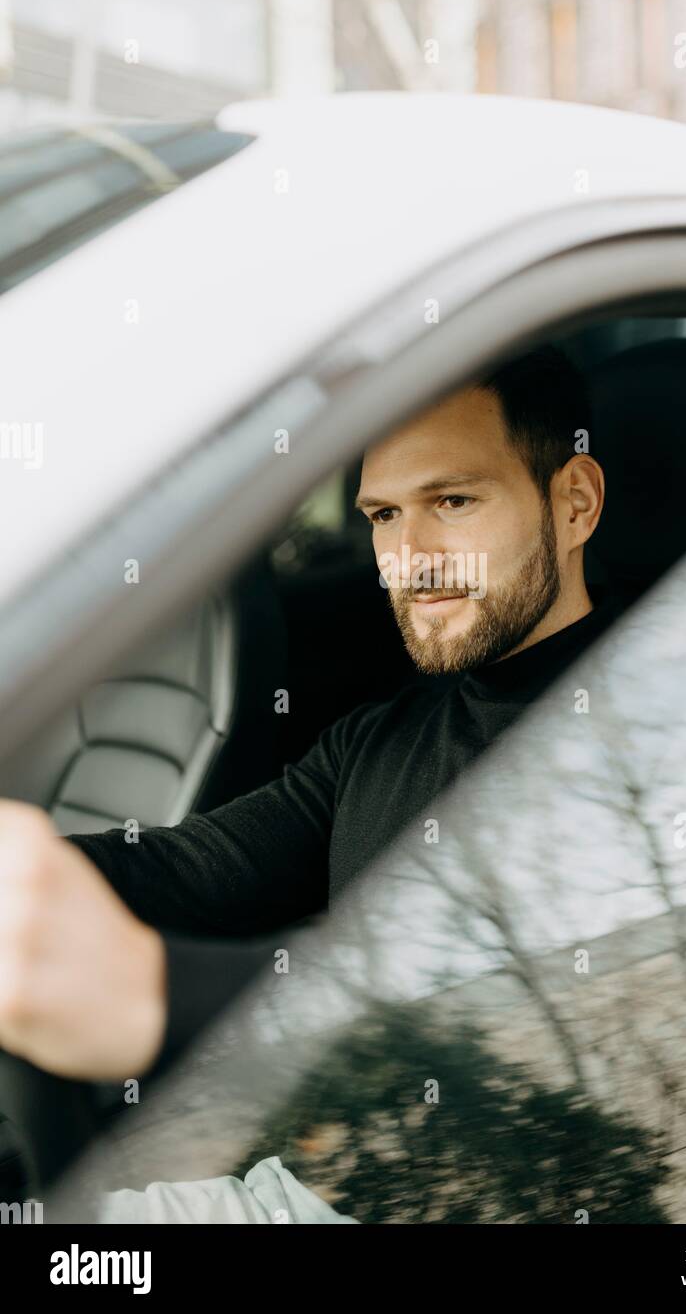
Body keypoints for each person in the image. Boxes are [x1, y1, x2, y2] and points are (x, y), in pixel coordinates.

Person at [0, 345, 610, 1092]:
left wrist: (152, 993)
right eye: (385, 515)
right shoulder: (379, 737)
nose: (409, 559)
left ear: (574, 503)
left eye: (453, 501)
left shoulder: (646, 738)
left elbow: (462, 1008)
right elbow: (189, 869)